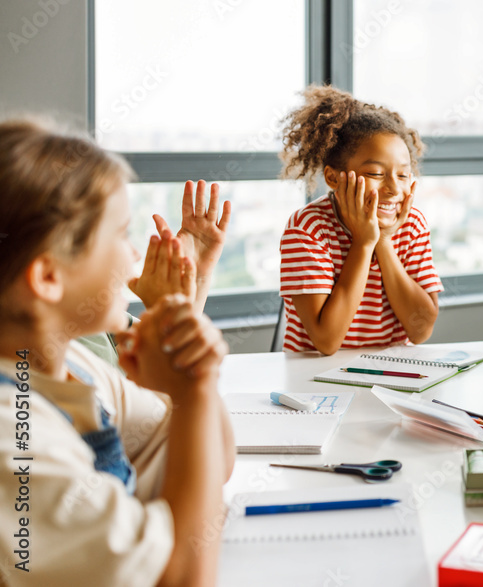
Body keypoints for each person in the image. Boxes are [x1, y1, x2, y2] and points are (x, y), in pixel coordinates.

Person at [0, 118, 235, 586]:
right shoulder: (15, 441)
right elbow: (184, 578)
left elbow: (214, 461)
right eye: (120, 234)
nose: (133, 256)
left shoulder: (73, 369)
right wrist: (193, 391)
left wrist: (188, 361)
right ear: (48, 277)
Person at [278, 85, 442, 354]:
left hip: (390, 374)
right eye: (376, 174)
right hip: (316, 380)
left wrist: (384, 241)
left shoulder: (411, 223)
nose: (393, 188)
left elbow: (421, 330)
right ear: (333, 178)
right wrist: (365, 243)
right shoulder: (308, 229)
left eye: (403, 175)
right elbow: (327, 342)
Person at [76, 179, 231, 366]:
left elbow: (167, 357)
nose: (136, 254)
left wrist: (195, 277)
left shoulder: (98, 319)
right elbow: (170, 379)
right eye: (121, 235)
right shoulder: (76, 357)